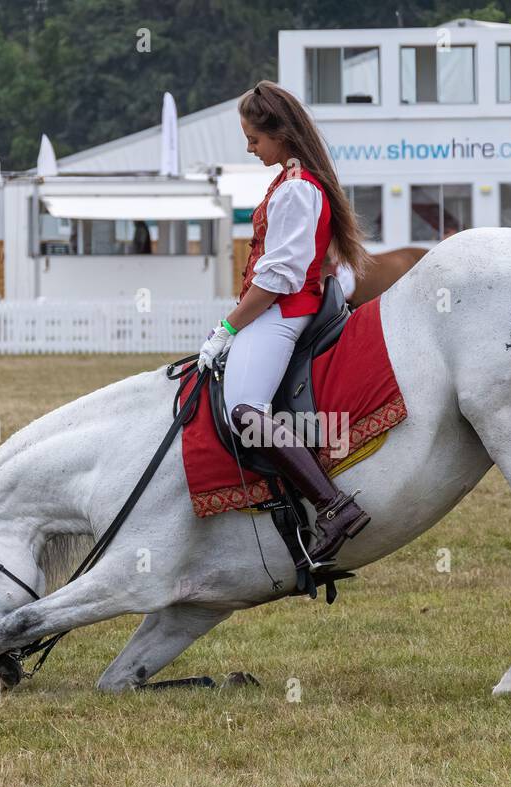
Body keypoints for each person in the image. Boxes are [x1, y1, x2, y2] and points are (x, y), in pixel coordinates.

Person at [195, 80, 370, 567]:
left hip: (281, 313)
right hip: (278, 308)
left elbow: (278, 278)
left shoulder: (296, 191)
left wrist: (226, 329)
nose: (249, 148)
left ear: (281, 134)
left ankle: (332, 506)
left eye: (254, 139)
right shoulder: (291, 182)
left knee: (245, 411)